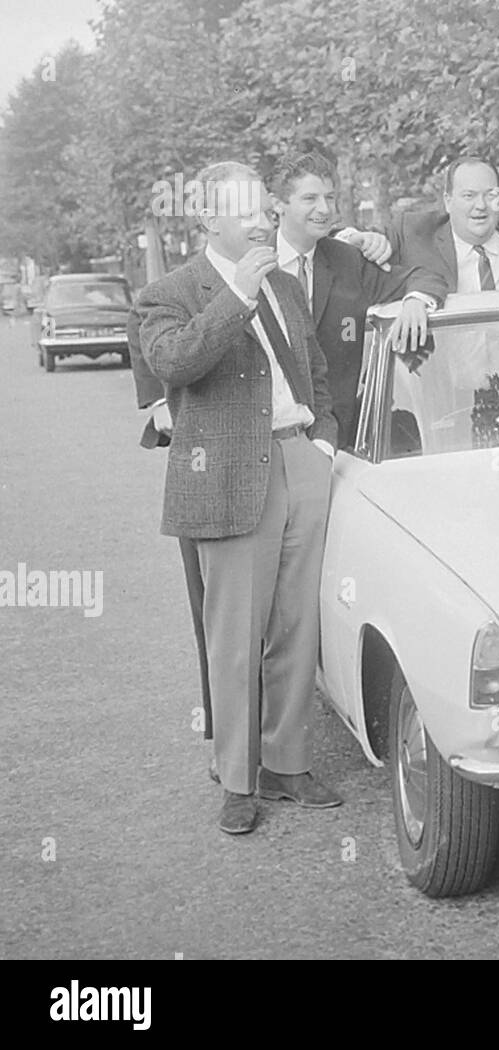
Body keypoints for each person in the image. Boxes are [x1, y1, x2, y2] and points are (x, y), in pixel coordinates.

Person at [136, 161, 341, 836]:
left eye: (262, 206)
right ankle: (237, 777)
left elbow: (315, 374)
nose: (261, 218)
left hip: (299, 460)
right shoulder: (170, 293)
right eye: (246, 209)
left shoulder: (286, 284)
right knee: (233, 636)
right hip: (224, 474)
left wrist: (325, 445)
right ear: (209, 221)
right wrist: (237, 299)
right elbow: (175, 364)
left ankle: (285, 764)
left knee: (297, 625)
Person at [270, 149, 440, 449]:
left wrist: (415, 302)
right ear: (278, 205)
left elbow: (424, 277)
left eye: (330, 197)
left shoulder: (347, 261)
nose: (324, 208)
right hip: (265, 440)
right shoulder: (252, 263)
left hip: (336, 440)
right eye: (310, 199)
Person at [126, 311, 212, 763]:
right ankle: (230, 737)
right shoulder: (198, 280)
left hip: (315, 451)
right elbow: (142, 313)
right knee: (216, 609)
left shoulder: (332, 259)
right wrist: (158, 402)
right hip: (210, 458)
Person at [388, 156, 499, 293]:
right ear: (448, 202)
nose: (480, 205)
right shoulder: (412, 237)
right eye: (469, 196)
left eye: (490, 195)